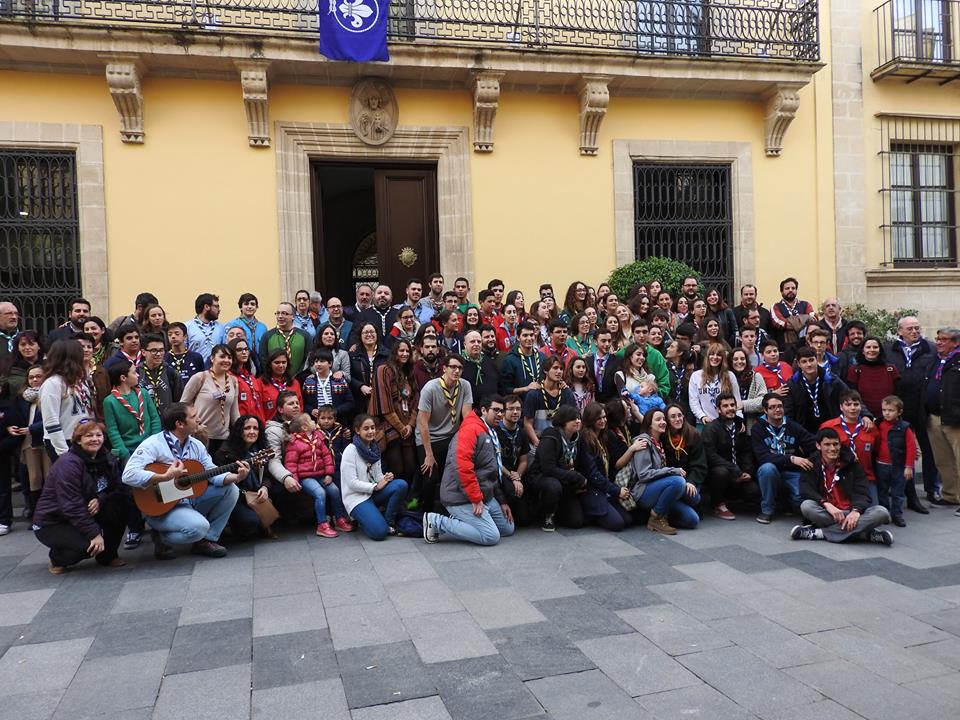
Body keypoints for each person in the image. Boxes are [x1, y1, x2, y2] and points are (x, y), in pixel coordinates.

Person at [122, 402, 248, 559]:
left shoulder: (196, 445)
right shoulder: (153, 444)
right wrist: (164, 477)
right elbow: (128, 475)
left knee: (231, 489)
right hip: (161, 506)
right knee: (199, 527)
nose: (199, 419)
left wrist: (237, 477)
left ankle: (207, 540)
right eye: (194, 417)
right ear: (180, 424)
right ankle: (162, 537)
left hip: (188, 500)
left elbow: (211, 471)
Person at [32, 421, 127, 573]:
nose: (94, 439)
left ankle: (108, 556)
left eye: (98, 435)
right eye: (88, 436)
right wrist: (94, 534)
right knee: (88, 546)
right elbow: (71, 506)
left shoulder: (106, 457)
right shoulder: (68, 464)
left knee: (120, 506)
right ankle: (57, 559)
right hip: (53, 521)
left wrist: (100, 499)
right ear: (78, 440)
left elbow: (117, 488)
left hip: (85, 512)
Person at [423, 394, 517, 545]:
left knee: (507, 528)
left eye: (502, 411)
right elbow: (462, 467)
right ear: (484, 410)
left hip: (484, 494)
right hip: (461, 497)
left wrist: (501, 501)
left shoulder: (490, 431)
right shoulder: (471, 429)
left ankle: (464, 520)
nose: (500, 414)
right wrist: (475, 499)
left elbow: (492, 471)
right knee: (491, 537)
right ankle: (436, 521)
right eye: (496, 410)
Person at [791, 428, 893, 546]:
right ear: (818, 446)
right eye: (827, 445)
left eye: (836, 444)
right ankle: (864, 533)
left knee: (882, 512)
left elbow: (862, 491)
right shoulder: (811, 463)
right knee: (807, 506)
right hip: (828, 513)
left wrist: (856, 511)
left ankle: (819, 533)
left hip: (851, 512)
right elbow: (806, 489)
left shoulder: (852, 462)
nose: (832, 448)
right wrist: (826, 504)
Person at [885, 315, 941, 505]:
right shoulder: (889, 350)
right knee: (900, 449)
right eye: (910, 329)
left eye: (917, 328)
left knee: (929, 448)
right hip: (899, 407)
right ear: (899, 331)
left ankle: (932, 488)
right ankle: (902, 490)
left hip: (923, 407)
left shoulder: (931, 349)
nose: (915, 331)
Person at [416, 355, 473, 512]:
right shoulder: (430, 388)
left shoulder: (465, 385)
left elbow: (467, 416)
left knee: (455, 474)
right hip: (429, 437)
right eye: (453, 367)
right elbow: (422, 423)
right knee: (430, 477)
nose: (456, 371)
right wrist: (429, 454)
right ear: (444, 369)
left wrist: (466, 445)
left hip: (452, 436)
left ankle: (450, 511)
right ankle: (425, 513)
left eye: (460, 368)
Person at [630, 407, 700, 534]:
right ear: (649, 424)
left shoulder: (660, 441)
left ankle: (663, 512)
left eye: (663, 419)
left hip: (659, 489)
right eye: (658, 420)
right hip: (643, 491)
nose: (663, 422)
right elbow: (643, 474)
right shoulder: (643, 442)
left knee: (692, 518)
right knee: (678, 481)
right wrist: (672, 471)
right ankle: (655, 517)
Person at [751, 393, 817, 524]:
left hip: (792, 472)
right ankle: (767, 510)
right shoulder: (758, 428)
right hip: (770, 471)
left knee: (801, 500)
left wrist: (812, 460)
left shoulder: (793, 426)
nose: (777, 410)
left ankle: (787, 501)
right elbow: (763, 457)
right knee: (767, 469)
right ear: (765, 410)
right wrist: (791, 458)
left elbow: (815, 444)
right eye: (772, 407)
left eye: (780, 406)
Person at [341, 414, 409, 540]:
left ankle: (388, 522)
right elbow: (351, 483)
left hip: (372, 493)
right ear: (357, 430)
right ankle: (362, 517)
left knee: (401, 485)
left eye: (372, 428)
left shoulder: (374, 448)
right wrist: (375, 487)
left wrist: (385, 478)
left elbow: (377, 477)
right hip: (356, 498)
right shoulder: (350, 451)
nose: (371, 431)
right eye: (366, 428)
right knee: (379, 533)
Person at [284, 413, 353, 537]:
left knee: (335, 491)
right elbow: (291, 463)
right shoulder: (294, 443)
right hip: (306, 477)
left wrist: (329, 474)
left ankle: (339, 518)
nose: (313, 422)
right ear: (305, 427)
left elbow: (327, 456)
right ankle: (322, 524)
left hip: (321, 475)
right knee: (320, 493)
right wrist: (294, 480)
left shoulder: (318, 438)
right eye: (311, 420)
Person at [214, 415, 278, 539]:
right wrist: (238, 478)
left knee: (278, 488)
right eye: (247, 428)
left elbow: (266, 475)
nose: (252, 432)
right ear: (239, 431)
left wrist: (264, 487)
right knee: (249, 522)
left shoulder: (260, 450)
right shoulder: (224, 453)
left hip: (255, 493)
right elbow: (219, 481)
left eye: (255, 428)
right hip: (235, 497)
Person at [701, 392, 758, 520]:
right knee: (721, 472)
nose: (730, 408)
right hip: (720, 473)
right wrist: (735, 470)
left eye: (732, 405)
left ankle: (731, 501)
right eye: (725, 406)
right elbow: (710, 455)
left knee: (754, 491)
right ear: (718, 409)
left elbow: (746, 451)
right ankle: (718, 504)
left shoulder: (740, 426)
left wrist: (747, 471)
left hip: (738, 473)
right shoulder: (711, 428)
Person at [819, 390, 880, 505]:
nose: (853, 408)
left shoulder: (870, 428)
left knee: (877, 511)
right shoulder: (828, 426)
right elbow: (820, 452)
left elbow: (876, 451)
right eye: (848, 404)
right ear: (841, 407)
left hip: (865, 477)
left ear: (861, 407)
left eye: (856, 404)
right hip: (837, 477)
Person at [369, 340, 418, 481]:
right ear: (394, 352)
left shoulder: (409, 372)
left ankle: (408, 495)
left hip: (407, 426)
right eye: (401, 350)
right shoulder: (384, 370)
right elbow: (383, 402)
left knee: (410, 467)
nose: (405, 354)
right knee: (397, 469)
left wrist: (410, 425)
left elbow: (415, 400)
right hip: (389, 426)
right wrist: (401, 427)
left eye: (407, 351)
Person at [181, 344, 240, 456]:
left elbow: (234, 412)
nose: (226, 360)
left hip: (223, 437)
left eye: (229, 357)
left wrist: (240, 431)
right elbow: (183, 405)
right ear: (212, 358)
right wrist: (195, 425)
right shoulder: (200, 377)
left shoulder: (233, 381)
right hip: (199, 435)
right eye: (222, 356)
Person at [39, 340, 94, 460]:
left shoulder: (80, 381)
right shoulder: (53, 383)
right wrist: (63, 452)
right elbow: (51, 420)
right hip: (64, 440)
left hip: (83, 438)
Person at [925, 326, 960, 509]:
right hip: (935, 418)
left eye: (944, 339)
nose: (938, 342)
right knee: (943, 460)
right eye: (938, 339)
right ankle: (951, 495)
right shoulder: (936, 360)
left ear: (956, 343)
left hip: (955, 419)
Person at [103, 359, 162, 465]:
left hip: (150, 446)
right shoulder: (110, 401)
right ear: (123, 378)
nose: (138, 375)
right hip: (129, 450)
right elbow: (113, 431)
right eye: (134, 373)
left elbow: (155, 419)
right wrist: (124, 454)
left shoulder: (143, 393)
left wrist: (155, 443)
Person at [785, 346, 853, 434]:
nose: (809, 364)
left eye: (811, 360)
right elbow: (788, 413)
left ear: (816, 360)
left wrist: (866, 416)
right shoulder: (793, 384)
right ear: (799, 364)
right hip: (804, 431)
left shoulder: (831, 380)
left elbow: (849, 396)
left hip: (830, 429)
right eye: (804, 362)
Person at [876, 395, 917, 528]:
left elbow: (911, 447)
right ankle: (884, 513)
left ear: (899, 412)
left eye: (891, 410)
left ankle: (897, 514)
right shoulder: (879, 424)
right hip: (881, 465)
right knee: (882, 491)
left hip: (899, 466)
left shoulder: (905, 427)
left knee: (898, 492)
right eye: (884, 410)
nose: (887, 413)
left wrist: (909, 466)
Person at [661, 403, 706, 514]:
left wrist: (691, 481)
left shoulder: (693, 434)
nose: (677, 419)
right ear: (667, 419)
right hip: (669, 479)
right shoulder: (662, 435)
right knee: (690, 518)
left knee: (693, 497)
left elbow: (699, 464)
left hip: (689, 478)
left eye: (679, 415)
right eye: (673, 416)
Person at [523, 355, 576, 445]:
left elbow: (572, 420)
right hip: (538, 443)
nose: (559, 371)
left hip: (561, 443)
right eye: (555, 368)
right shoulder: (534, 394)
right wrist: (537, 443)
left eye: (561, 369)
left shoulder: (567, 393)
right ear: (545, 370)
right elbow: (527, 423)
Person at [496, 394, 532, 527]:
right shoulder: (495, 431)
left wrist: (518, 476)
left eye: (518, 409)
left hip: (516, 474)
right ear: (503, 412)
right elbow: (494, 461)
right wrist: (512, 477)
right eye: (511, 409)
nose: (515, 412)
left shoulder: (522, 432)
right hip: (501, 473)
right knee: (511, 491)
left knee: (525, 521)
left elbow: (524, 461)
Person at [846, 337, 900, 417]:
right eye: (868, 347)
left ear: (880, 350)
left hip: (888, 416)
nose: (872, 350)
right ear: (862, 351)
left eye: (875, 347)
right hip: (863, 417)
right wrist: (865, 415)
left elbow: (898, 395)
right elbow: (853, 397)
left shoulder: (891, 369)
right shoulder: (855, 370)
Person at [688, 343, 739, 427]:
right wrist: (702, 416)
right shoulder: (696, 376)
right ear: (707, 357)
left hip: (726, 423)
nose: (715, 357)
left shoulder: (730, 376)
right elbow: (693, 401)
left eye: (719, 355)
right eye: (712, 354)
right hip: (703, 423)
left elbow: (737, 400)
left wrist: (739, 419)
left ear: (723, 358)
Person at [301, 348, 354, 424]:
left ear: (330, 363)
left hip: (337, 422)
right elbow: (304, 402)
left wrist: (336, 411)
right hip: (316, 423)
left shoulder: (340, 381)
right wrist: (311, 410)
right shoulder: (309, 382)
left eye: (322, 361)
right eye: (316, 361)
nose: (318, 364)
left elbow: (350, 403)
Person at [614, 342, 664, 422]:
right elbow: (624, 398)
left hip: (650, 419)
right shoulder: (621, 375)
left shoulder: (650, 377)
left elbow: (655, 398)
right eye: (638, 354)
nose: (641, 357)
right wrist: (637, 413)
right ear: (630, 356)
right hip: (631, 420)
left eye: (643, 355)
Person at [260, 302, 311, 375]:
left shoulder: (305, 336)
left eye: (284, 313)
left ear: (293, 316)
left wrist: (298, 377)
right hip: (273, 379)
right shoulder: (267, 336)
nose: (280, 316)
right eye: (278, 313)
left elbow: (308, 359)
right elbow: (263, 360)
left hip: (299, 379)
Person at [770, 277, 817, 355]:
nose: (790, 290)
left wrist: (789, 320)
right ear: (781, 291)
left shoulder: (806, 304)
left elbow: (814, 320)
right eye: (787, 288)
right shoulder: (776, 306)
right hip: (784, 348)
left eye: (793, 288)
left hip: (805, 347)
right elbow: (779, 323)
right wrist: (803, 320)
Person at [348, 322, 389, 409]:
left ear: (377, 334)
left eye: (372, 332)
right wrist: (360, 386)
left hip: (382, 398)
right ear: (360, 336)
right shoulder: (353, 354)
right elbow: (349, 376)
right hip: (360, 399)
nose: (369, 334)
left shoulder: (386, 354)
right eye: (365, 332)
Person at [500, 322, 545, 398]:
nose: (529, 338)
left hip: (541, 402)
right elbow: (505, 389)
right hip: (520, 403)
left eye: (531, 335)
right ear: (518, 337)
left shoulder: (542, 357)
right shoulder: (510, 360)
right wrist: (526, 389)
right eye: (525, 335)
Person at [140, 334, 182, 415]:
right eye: (154, 350)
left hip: (166, 419)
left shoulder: (172, 373)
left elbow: (179, 402)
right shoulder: (136, 373)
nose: (159, 354)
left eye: (161, 350)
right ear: (143, 352)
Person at [257, 349, 302, 422]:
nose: (281, 365)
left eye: (284, 362)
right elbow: (258, 410)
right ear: (270, 364)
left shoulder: (294, 383)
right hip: (270, 426)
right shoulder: (260, 383)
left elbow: (300, 407)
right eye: (277, 362)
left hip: (292, 426)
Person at [0, 330, 42, 401]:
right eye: (23, 345)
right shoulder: (8, 367)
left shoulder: (48, 366)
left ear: (39, 346)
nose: (27, 347)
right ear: (18, 348)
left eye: (31, 344)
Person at [228, 337, 262, 421]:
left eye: (246, 349)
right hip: (240, 423)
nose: (244, 352)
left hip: (256, 422)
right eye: (239, 350)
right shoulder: (229, 376)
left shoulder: (251, 377)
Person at [730, 347, 766, 427]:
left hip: (752, 424)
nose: (739, 361)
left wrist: (743, 404)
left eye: (742, 359)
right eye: (735, 359)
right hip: (732, 424)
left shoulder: (756, 377)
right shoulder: (726, 379)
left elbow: (764, 400)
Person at [461, 330, 499, 404]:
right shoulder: (459, 364)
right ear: (465, 344)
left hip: (490, 407)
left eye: (479, 342)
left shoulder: (489, 362)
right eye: (472, 342)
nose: (476, 344)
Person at [186, 293, 226, 363]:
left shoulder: (221, 328)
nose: (219, 310)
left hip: (216, 367)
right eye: (216, 306)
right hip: (195, 367)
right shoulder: (187, 327)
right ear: (207, 307)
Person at [586, 328, 618, 402]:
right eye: (603, 341)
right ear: (595, 342)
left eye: (609, 341)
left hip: (611, 404)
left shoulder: (617, 361)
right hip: (592, 404)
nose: (607, 344)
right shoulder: (587, 361)